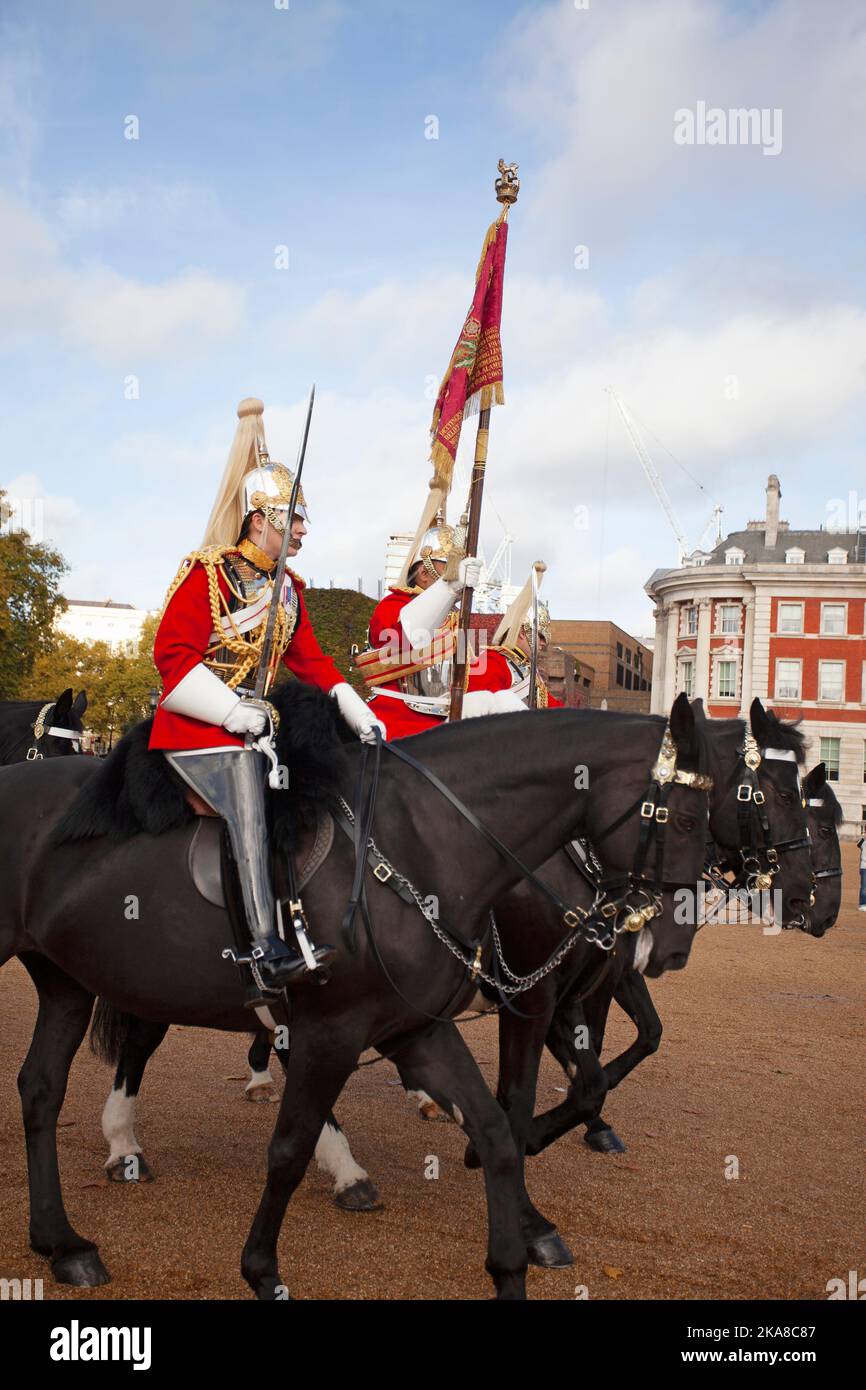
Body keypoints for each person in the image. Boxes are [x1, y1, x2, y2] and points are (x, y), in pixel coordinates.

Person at [149, 397, 385, 999]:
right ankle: (263, 947)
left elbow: (311, 662)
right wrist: (231, 710)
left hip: (256, 726)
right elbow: (172, 663)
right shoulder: (209, 575)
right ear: (259, 519)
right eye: (294, 518)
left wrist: (353, 704)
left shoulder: (289, 594)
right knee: (250, 790)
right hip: (197, 729)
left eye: (302, 519)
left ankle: (306, 921)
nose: (303, 529)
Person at [354, 506, 523, 739]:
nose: (458, 578)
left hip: (444, 717)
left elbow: (472, 676)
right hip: (400, 719)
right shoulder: (394, 605)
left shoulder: (454, 617)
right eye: (451, 570)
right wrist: (449, 587)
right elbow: (406, 639)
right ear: (424, 574)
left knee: (505, 707)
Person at [858, 832, 866, 911]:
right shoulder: (863, 842)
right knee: (864, 887)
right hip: (864, 867)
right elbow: (858, 843)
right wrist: (863, 836)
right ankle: (862, 904)